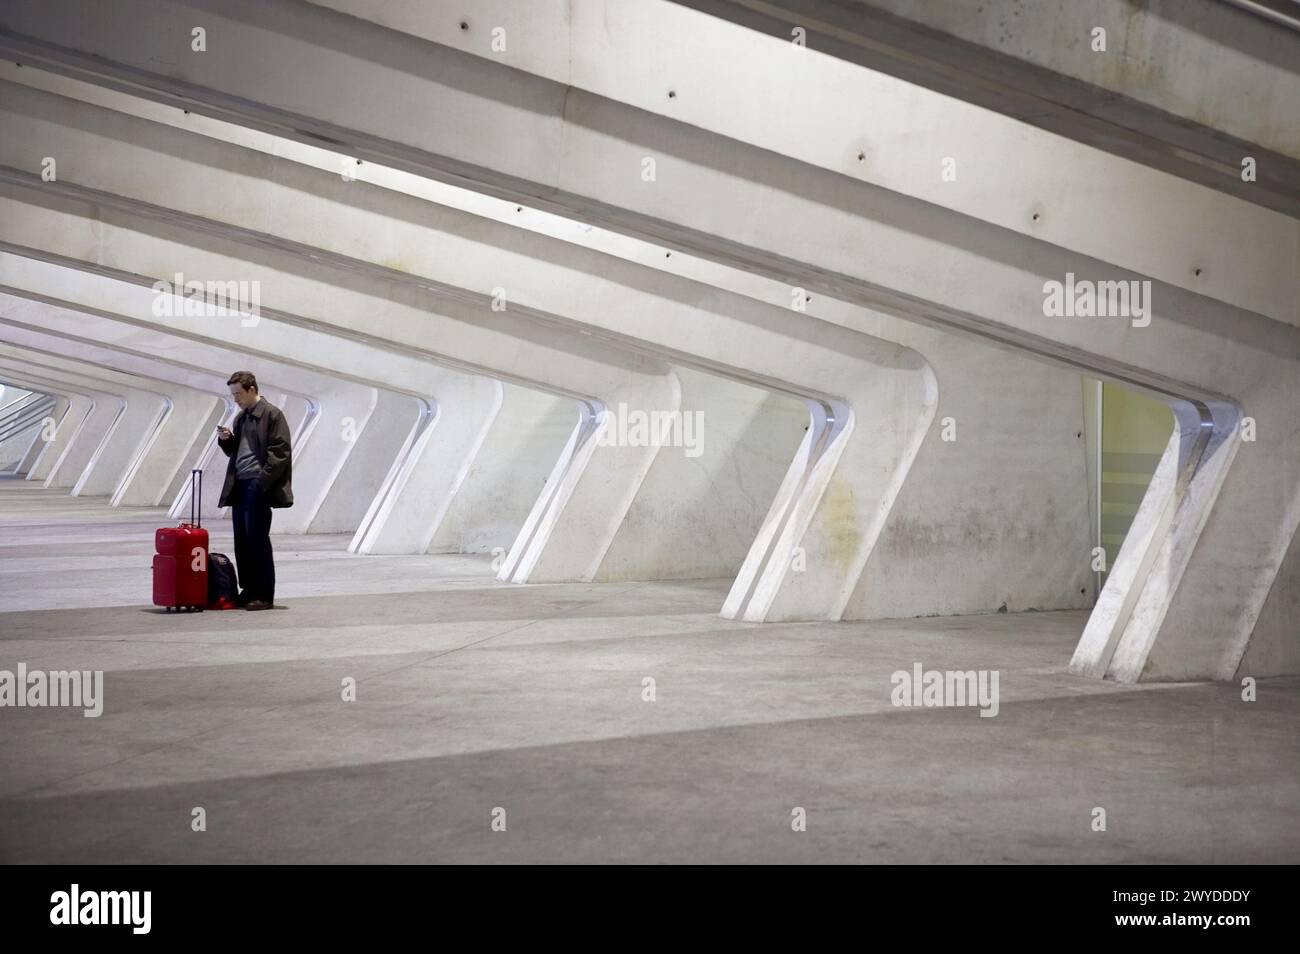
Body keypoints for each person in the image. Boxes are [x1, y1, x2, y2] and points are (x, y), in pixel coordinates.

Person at [216, 372, 293, 610]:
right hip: (240, 485)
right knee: (243, 541)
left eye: (238, 393)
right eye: (233, 394)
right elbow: (236, 452)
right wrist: (227, 440)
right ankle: (248, 590)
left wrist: (261, 483)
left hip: (257, 485)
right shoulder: (241, 418)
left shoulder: (272, 414)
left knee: (258, 540)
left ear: (251, 389)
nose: (235, 399)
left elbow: (280, 452)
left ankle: (263, 594)